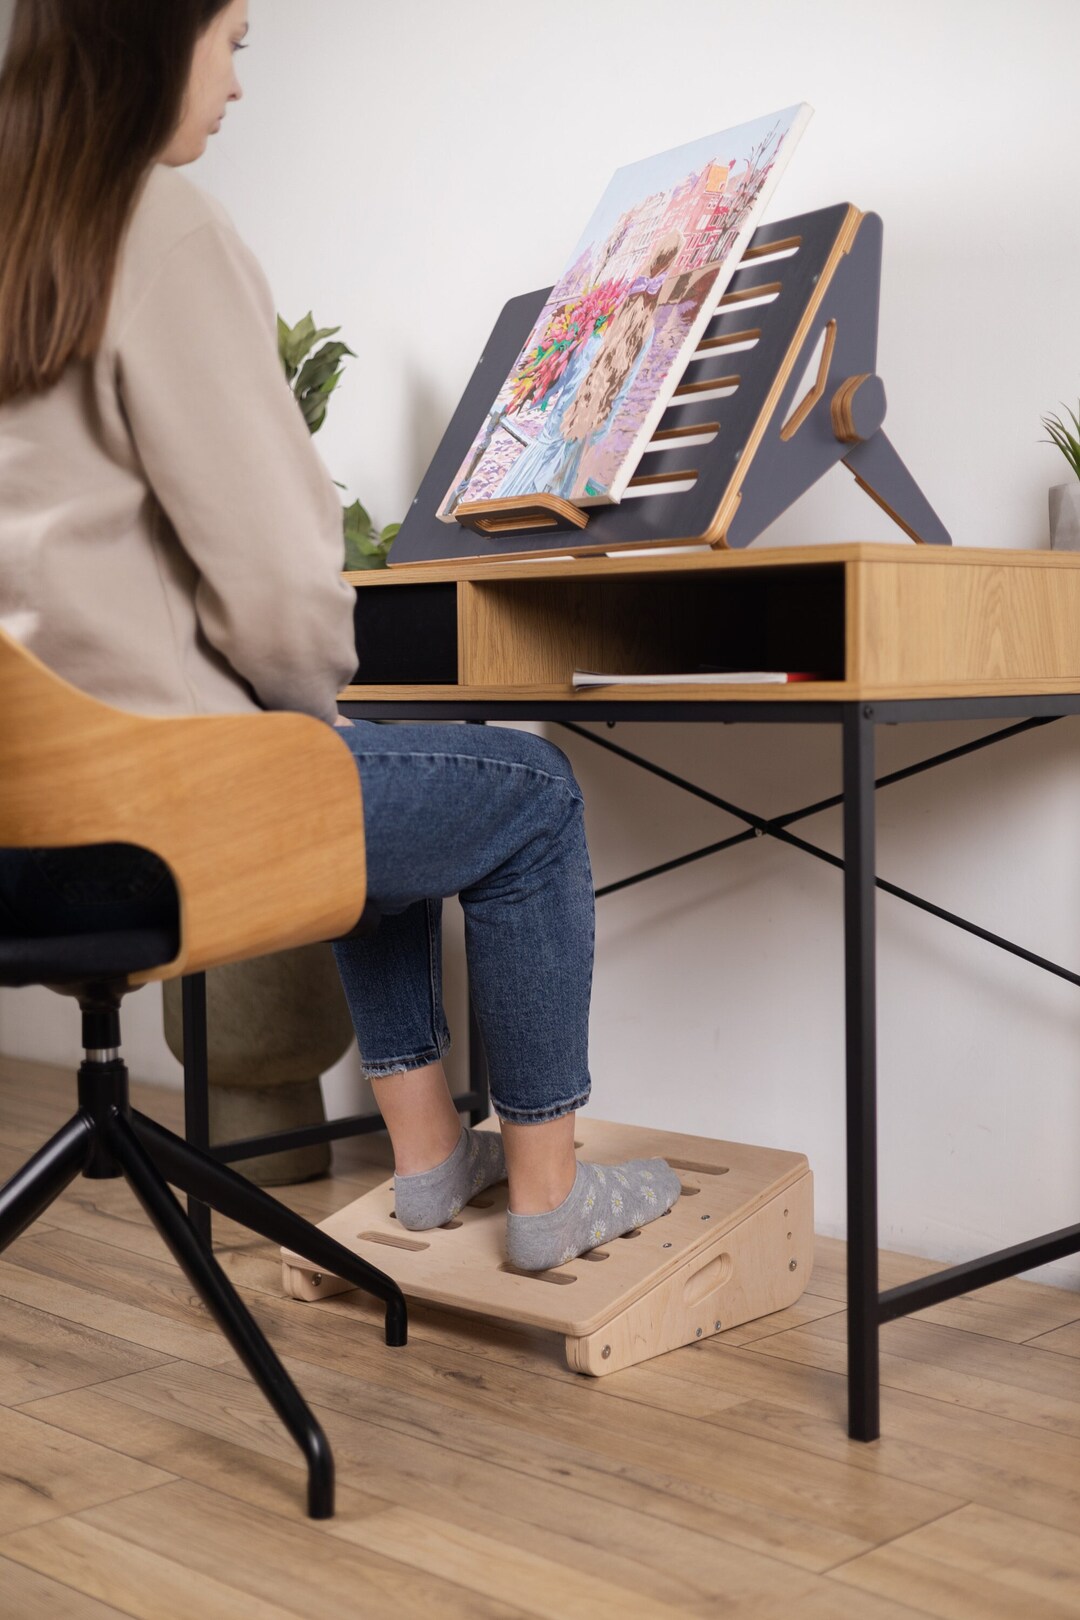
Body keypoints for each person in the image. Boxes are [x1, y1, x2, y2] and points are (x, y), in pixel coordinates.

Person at [0, 0, 681, 1272]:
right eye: (236, 40)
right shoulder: (153, 219)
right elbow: (278, 589)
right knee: (525, 792)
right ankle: (547, 1197)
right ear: (157, 35)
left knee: (369, 764)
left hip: (25, 824)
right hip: (160, 805)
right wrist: (306, 710)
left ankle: (428, 1169)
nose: (239, 82)